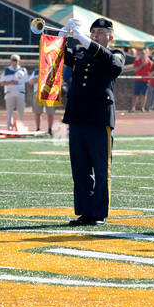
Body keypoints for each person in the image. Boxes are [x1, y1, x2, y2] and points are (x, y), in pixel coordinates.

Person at [62, 18, 125, 226]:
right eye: (93, 32)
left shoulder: (116, 54)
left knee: (101, 169)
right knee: (79, 168)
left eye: (100, 31)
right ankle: (84, 211)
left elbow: (113, 64)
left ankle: (98, 213)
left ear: (110, 36)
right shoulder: (81, 53)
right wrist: (61, 36)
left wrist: (81, 39)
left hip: (99, 118)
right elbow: (56, 57)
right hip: (78, 116)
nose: (96, 35)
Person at [0, 54, 28, 129]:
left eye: (16, 60)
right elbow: (2, 83)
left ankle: (20, 127)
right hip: (9, 93)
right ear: (10, 61)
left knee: (21, 112)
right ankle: (9, 128)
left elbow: (26, 83)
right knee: (9, 112)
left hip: (20, 93)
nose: (14, 62)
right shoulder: (6, 70)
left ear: (19, 61)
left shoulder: (23, 70)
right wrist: (10, 82)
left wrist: (27, 95)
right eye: (13, 60)